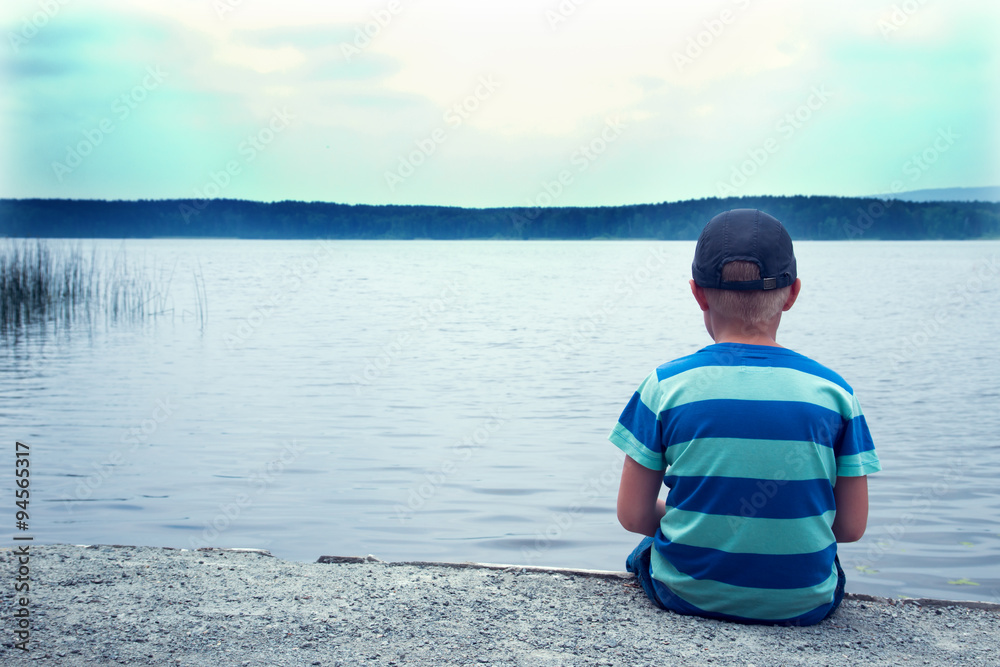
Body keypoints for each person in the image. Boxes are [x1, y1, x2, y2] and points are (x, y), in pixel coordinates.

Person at [609, 208, 880, 626]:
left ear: (697, 293)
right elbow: (850, 527)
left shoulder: (664, 386)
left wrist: (699, 516)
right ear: (792, 294)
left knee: (644, 552)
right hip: (805, 603)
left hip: (685, 594)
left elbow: (632, 516)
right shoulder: (836, 393)